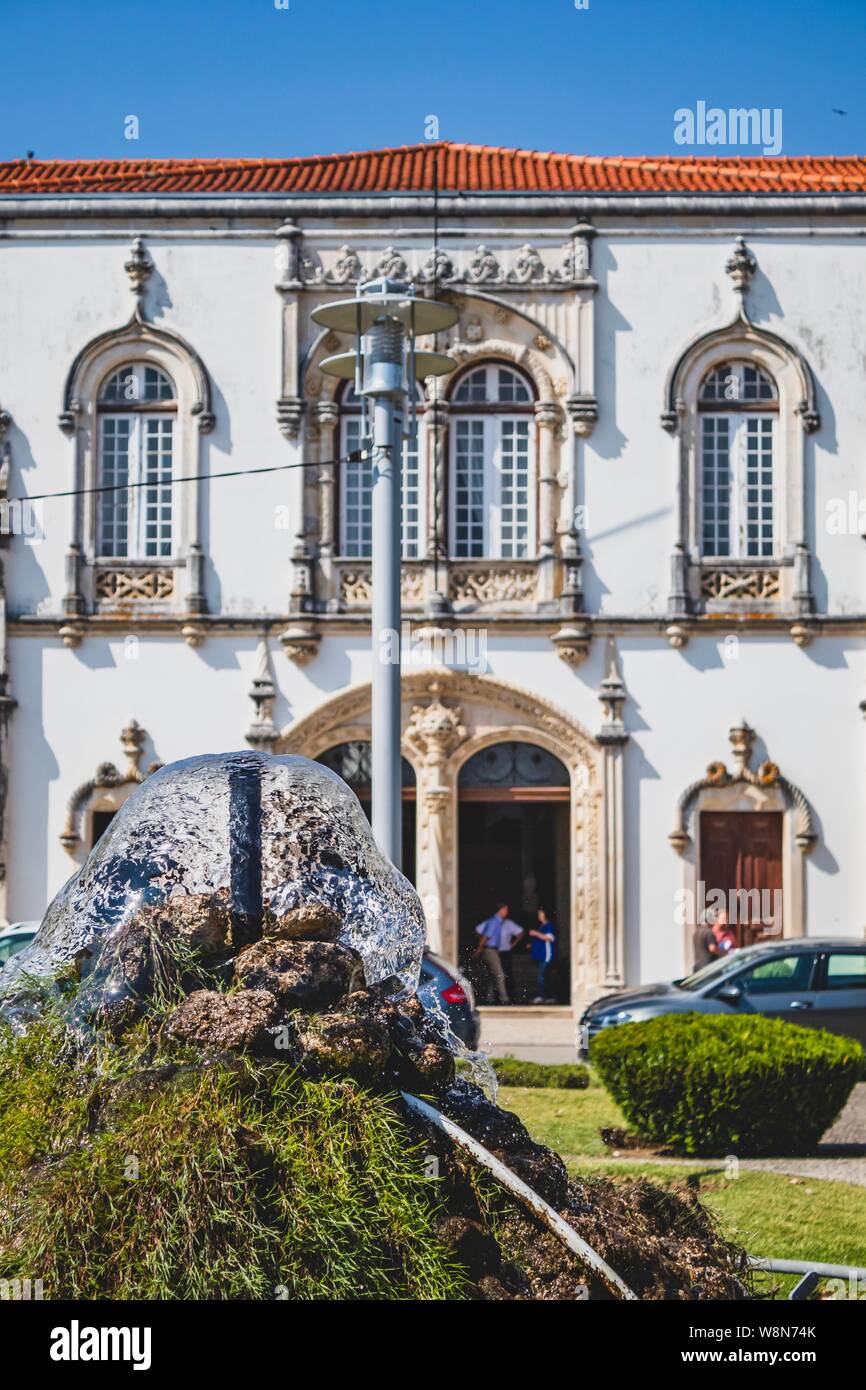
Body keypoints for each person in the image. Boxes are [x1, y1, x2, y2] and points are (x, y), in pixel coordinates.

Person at [473, 903, 521, 1004]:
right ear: (501, 910)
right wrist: (480, 948)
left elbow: (480, 931)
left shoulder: (497, 921)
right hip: (489, 950)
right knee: (499, 974)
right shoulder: (494, 922)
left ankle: (489, 998)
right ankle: (504, 998)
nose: (507, 912)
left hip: (493, 950)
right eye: (506, 910)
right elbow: (486, 936)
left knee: (492, 975)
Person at [527, 906, 556, 1003]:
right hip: (541, 955)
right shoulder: (541, 926)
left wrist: (535, 934)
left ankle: (544, 996)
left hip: (547, 955)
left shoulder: (549, 925)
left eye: (541, 913)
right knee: (544, 975)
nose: (539, 915)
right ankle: (547, 997)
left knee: (542, 975)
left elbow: (549, 938)